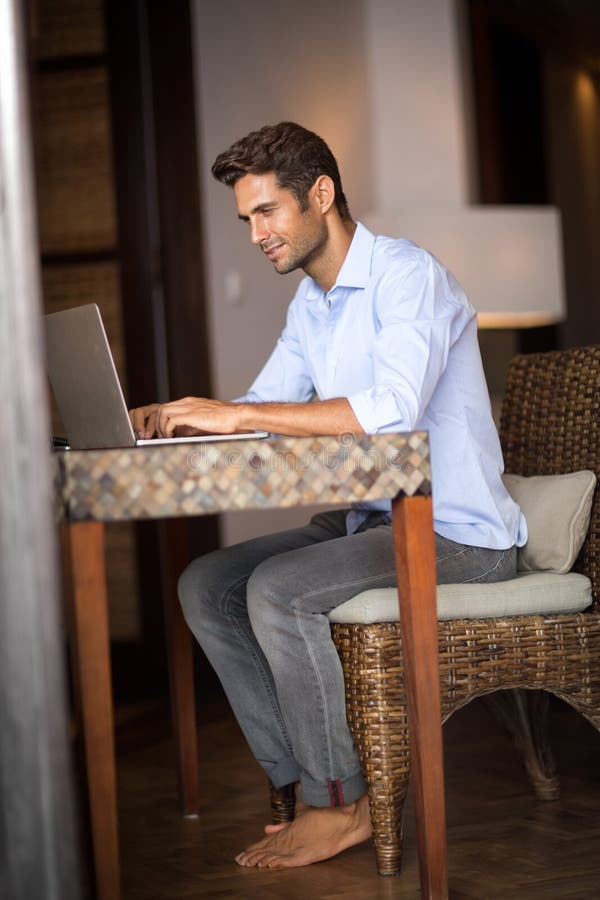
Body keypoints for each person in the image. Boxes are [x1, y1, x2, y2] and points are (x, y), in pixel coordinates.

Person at [130, 121, 525, 870]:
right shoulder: (311, 306)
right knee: (207, 583)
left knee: (279, 589)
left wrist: (237, 413)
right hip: (374, 520)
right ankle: (293, 778)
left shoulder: (410, 276)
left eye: (266, 212)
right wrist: (173, 424)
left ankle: (337, 800)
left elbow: (392, 410)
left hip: (458, 535)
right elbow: (260, 412)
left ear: (321, 194)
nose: (254, 234)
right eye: (246, 219)